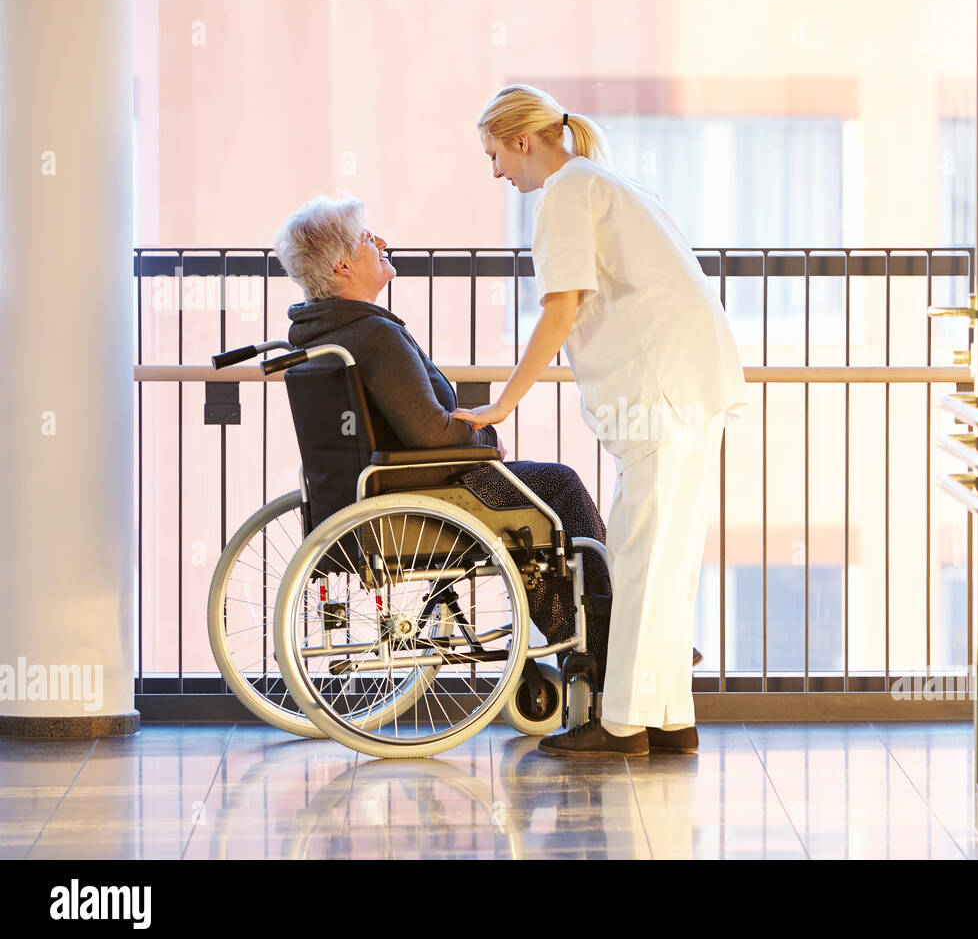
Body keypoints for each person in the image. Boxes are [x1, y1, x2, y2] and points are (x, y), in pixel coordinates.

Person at [455, 85, 748, 757]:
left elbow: (561, 307)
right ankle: (669, 719)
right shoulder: (603, 182)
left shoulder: (566, 191)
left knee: (642, 561)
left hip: (661, 395)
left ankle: (622, 726)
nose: (496, 171)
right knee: (664, 563)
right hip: (690, 389)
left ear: (522, 140)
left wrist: (503, 403)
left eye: (494, 153)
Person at [272, 195, 612, 678]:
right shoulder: (372, 334)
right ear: (344, 265)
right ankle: (609, 648)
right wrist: (486, 441)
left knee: (539, 500)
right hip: (427, 489)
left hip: (385, 490)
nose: (382, 242)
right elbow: (430, 433)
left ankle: (588, 645)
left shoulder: (320, 330)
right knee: (560, 486)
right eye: (369, 238)